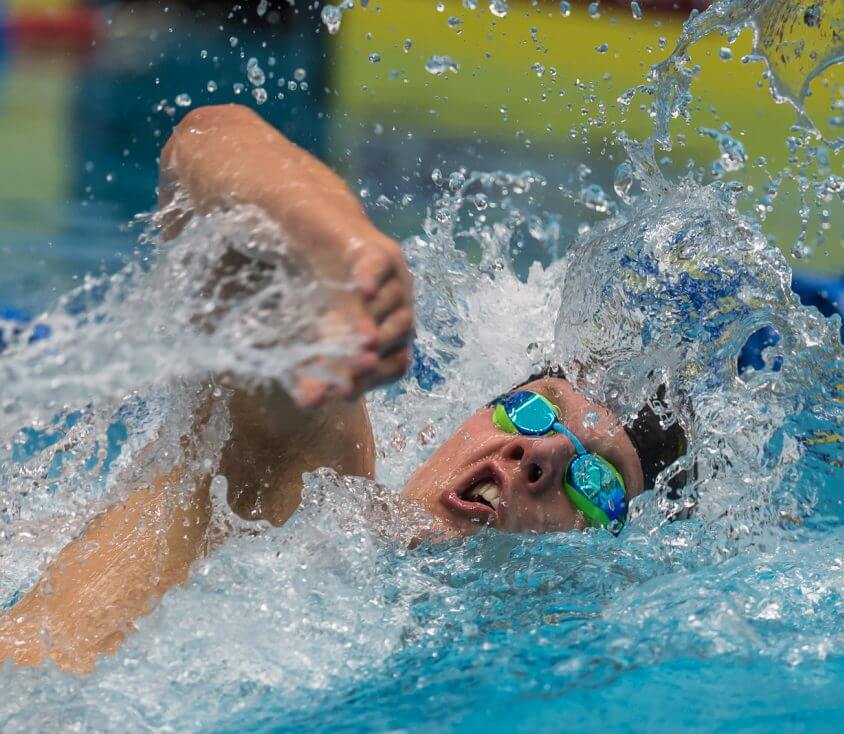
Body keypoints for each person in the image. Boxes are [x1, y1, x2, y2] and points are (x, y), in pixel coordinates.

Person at [0, 104, 685, 673]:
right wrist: (341, 249)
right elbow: (206, 140)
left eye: (595, 480)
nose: (540, 456)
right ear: (466, 418)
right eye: (532, 410)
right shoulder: (320, 495)